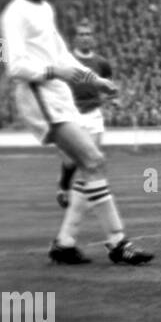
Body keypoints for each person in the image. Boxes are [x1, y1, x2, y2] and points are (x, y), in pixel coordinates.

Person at [0, 0, 153, 265]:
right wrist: (55, 72)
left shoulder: (43, 9)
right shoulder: (14, 14)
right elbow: (14, 66)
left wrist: (94, 80)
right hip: (39, 98)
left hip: (57, 95)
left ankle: (65, 243)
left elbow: (63, 57)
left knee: (89, 167)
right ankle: (118, 243)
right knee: (93, 159)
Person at [56, 18, 114, 209]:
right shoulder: (66, 61)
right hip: (71, 115)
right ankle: (64, 186)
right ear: (75, 39)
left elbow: (108, 86)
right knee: (71, 161)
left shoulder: (102, 63)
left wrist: (113, 98)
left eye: (88, 34)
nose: (85, 38)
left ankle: (82, 200)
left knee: (92, 161)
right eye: (81, 34)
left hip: (94, 114)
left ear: (93, 38)